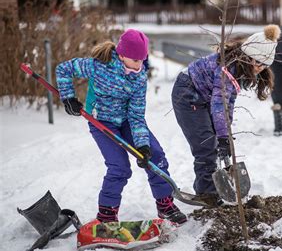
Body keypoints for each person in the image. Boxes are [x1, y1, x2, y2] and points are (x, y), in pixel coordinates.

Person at [56, 29, 187, 224]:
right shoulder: (98, 66)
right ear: (122, 54)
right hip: (101, 122)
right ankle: (107, 214)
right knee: (120, 167)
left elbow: (136, 114)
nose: (140, 65)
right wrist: (68, 98)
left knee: (155, 155)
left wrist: (142, 145)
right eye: (136, 60)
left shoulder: (139, 76)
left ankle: (165, 204)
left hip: (126, 120)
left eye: (143, 60)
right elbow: (64, 69)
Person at [172, 25, 279, 205]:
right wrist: (222, 138)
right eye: (258, 62)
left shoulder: (240, 67)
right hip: (187, 94)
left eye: (265, 65)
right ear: (247, 56)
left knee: (215, 141)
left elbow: (228, 103)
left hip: (205, 96)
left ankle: (214, 190)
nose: (260, 68)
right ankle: (207, 194)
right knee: (206, 145)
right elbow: (219, 104)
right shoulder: (228, 69)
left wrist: (225, 134)